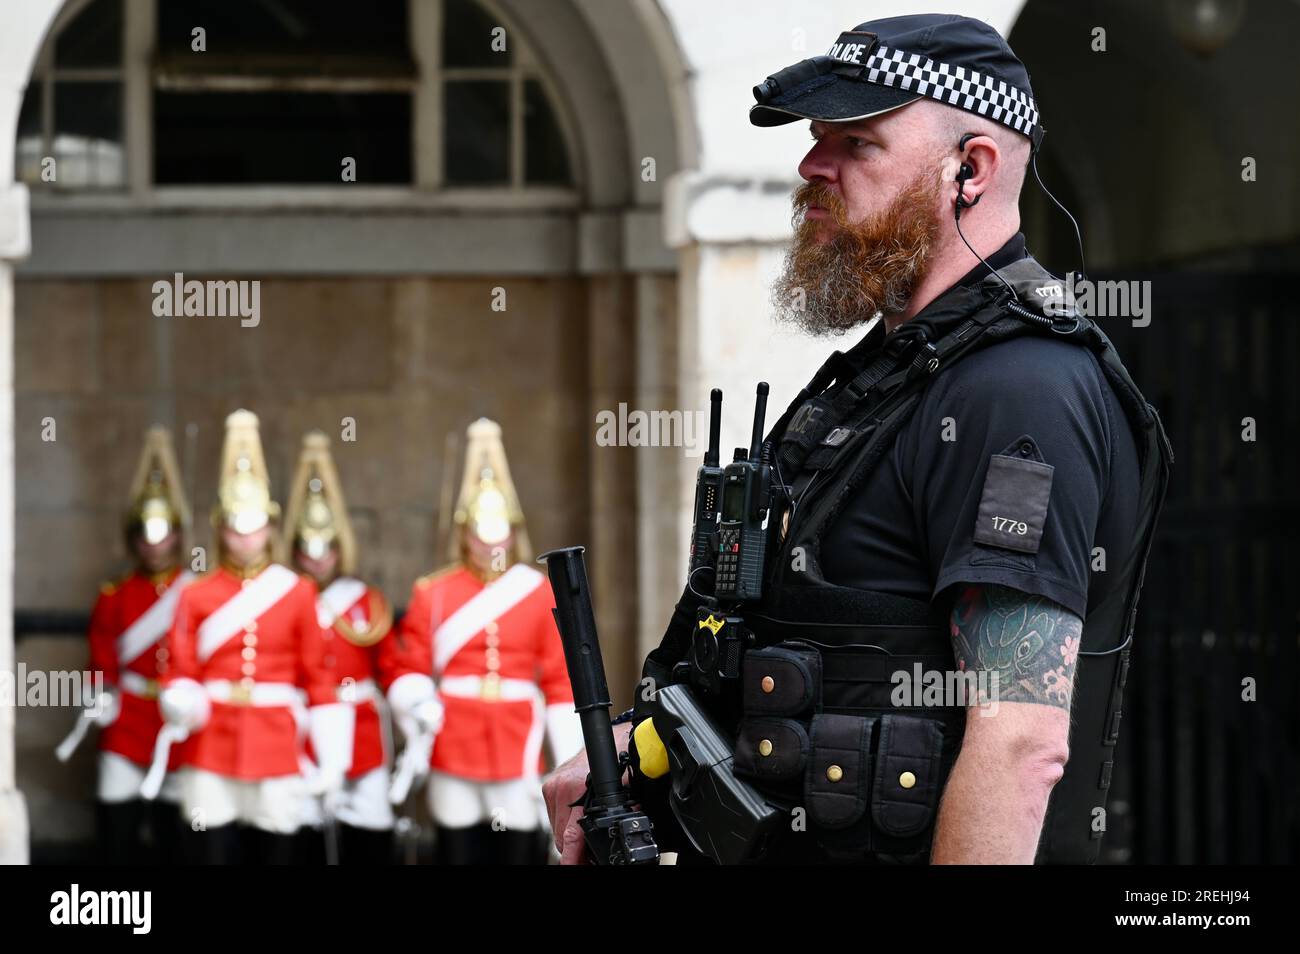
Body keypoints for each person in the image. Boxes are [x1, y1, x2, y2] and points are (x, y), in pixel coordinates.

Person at [544, 13, 1171, 865]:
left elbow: (1021, 745)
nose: (812, 165)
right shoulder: (895, 374)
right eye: (816, 137)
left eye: (858, 142)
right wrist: (638, 741)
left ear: (971, 170)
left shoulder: (1018, 391)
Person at [151, 409, 352, 864]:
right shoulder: (197, 593)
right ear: (221, 527)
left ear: (271, 526)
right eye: (237, 525)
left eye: (256, 524)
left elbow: (318, 677)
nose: (246, 536)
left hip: (277, 744)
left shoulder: (297, 592)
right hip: (211, 742)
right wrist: (180, 698)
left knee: (277, 851)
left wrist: (332, 758)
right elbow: (180, 667)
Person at [385, 418, 581, 864]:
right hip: (454, 739)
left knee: (517, 851)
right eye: (479, 533)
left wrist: (566, 756)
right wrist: (416, 701)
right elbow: (410, 666)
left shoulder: (535, 589)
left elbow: (557, 679)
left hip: (517, 742)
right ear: (463, 532)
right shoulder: (432, 593)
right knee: (457, 850)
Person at [59, 426, 193, 864]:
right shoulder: (114, 594)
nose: (153, 547)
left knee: (179, 836)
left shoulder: (194, 591)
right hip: (128, 722)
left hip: (179, 725)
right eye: (144, 536)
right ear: (133, 538)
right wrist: (100, 695)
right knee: (117, 830)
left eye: (163, 535)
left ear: (177, 535)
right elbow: (102, 653)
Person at [281, 430, 396, 865]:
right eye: (307, 548)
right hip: (303, 727)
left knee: (369, 827)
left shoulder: (366, 602)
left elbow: (391, 666)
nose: (316, 559)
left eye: (326, 547)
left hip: (360, 729)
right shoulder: (282, 598)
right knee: (303, 830)